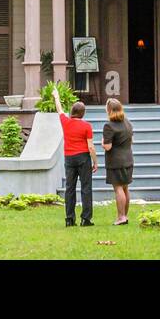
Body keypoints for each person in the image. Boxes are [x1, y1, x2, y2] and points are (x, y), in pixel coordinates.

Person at [56, 87, 97, 227]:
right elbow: (90, 147)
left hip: (69, 158)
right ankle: (86, 219)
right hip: (83, 158)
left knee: (70, 188)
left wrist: (56, 96)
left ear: (72, 112)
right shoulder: (87, 126)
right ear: (83, 113)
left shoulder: (65, 122)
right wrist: (95, 162)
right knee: (86, 188)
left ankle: (69, 218)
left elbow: (59, 110)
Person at [102, 98, 134, 225]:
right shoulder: (128, 123)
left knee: (118, 188)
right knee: (125, 187)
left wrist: (102, 142)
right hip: (128, 159)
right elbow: (131, 141)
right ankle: (125, 215)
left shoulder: (109, 125)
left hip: (115, 161)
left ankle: (121, 217)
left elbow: (108, 146)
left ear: (109, 110)